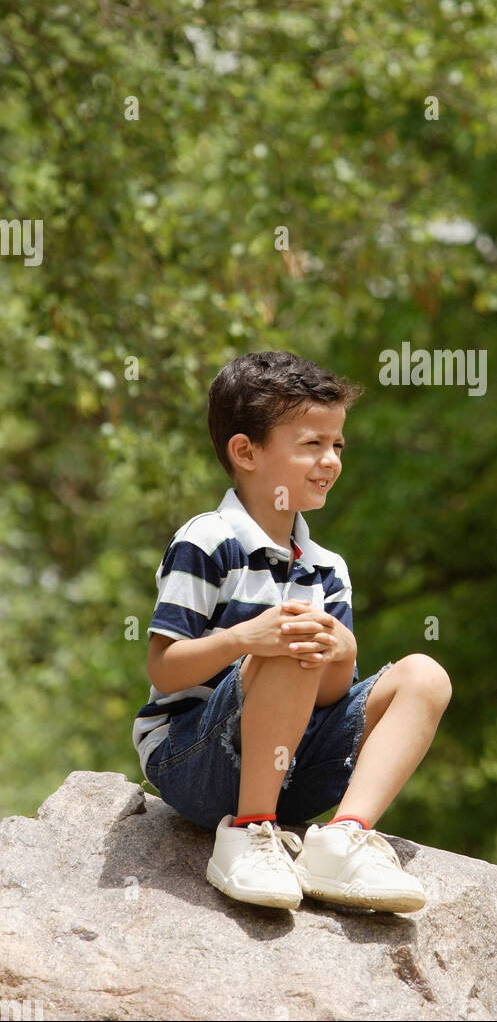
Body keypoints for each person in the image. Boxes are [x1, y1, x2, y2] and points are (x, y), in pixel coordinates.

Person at [132, 349, 452, 913]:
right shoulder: (207, 542)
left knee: (425, 675)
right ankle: (247, 833)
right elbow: (164, 667)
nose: (330, 460)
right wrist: (246, 640)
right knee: (287, 643)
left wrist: (342, 650)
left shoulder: (327, 568)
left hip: (294, 770)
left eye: (337, 445)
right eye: (311, 445)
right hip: (195, 761)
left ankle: (343, 838)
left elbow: (327, 695)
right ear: (245, 451)